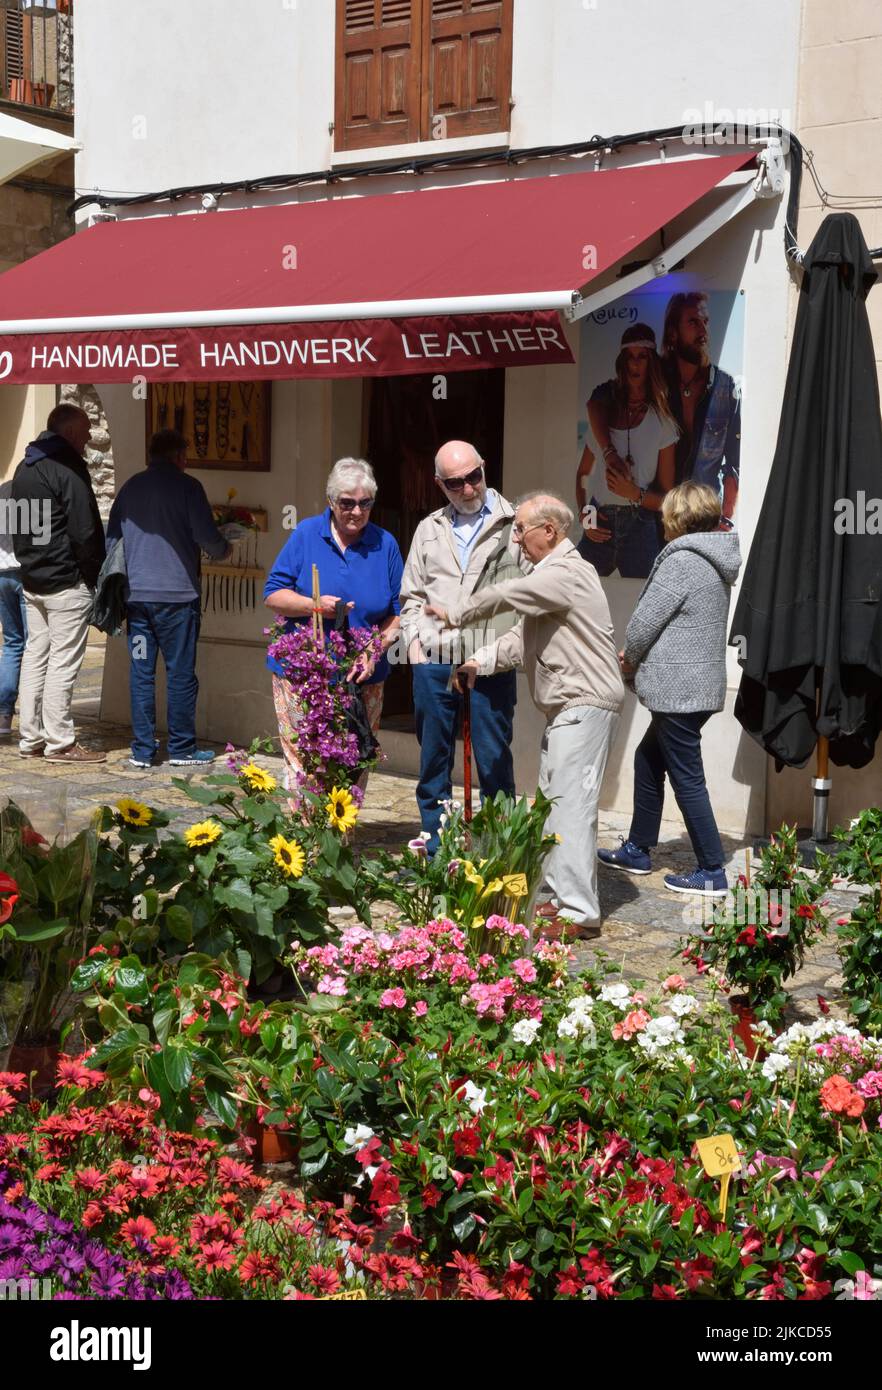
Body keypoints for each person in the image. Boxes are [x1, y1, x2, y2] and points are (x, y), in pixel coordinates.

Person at [427, 491, 624, 939]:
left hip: (585, 701)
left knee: (572, 809)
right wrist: (480, 661)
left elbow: (511, 594)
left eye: (520, 529)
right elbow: (520, 637)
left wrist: (457, 611)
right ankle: (558, 899)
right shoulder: (551, 578)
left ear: (549, 532)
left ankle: (579, 913)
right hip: (567, 705)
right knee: (552, 807)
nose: (515, 539)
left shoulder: (567, 572)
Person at [598, 482, 741, 897]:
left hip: (678, 690)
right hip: (694, 686)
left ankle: (711, 869)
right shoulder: (712, 556)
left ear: (677, 517)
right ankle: (638, 848)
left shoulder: (683, 560)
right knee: (648, 758)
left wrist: (628, 658)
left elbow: (646, 621)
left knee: (687, 776)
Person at [399, 440, 523, 853]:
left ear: (485, 468)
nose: (469, 489)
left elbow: (530, 596)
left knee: (492, 759)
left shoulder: (515, 524)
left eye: (474, 477)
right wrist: (414, 644)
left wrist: (505, 648)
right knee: (434, 759)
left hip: (489, 660)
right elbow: (412, 595)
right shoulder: (429, 529)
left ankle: (495, 854)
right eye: (456, 483)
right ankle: (436, 848)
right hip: (434, 661)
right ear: (439, 484)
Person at [264, 457, 403, 792]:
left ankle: (340, 841)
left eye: (365, 504)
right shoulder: (306, 534)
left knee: (354, 762)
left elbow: (401, 611)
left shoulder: (385, 544)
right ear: (331, 501)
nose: (356, 512)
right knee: (305, 764)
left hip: (361, 677)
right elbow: (273, 595)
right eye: (347, 503)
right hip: (303, 674)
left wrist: (376, 649)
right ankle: (309, 841)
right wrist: (313, 605)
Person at [106, 428, 231, 769]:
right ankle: (181, 748)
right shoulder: (189, 487)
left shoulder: (131, 487)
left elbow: (113, 538)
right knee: (179, 673)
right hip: (178, 599)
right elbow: (207, 536)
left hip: (138, 601)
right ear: (179, 457)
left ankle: (143, 751)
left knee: (141, 672)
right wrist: (225, 548)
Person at [588, 293, 740, 527]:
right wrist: (609, 453)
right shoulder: (655, 380)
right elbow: (598, 399)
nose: (703, 331)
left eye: (705, 322)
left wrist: (726, 515)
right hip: (657, 519)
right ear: (672, 333)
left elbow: (733, 462)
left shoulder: (725, 386)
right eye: (693, 322)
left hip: (705, 517)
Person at [11, 403, 106, 762]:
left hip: (33, 580)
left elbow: (17, 525)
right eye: (84, 434)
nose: (87, 441)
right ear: (68, 433)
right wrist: (93, 577)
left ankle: (30, 738)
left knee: (35, 657)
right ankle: (60, 742)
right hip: (65, 582)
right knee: (62, 663)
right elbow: (86, 533)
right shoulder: (67, 468)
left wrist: (29, 565)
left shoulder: (25, 467)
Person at [577, 324, 678, 579]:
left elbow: (668, 499)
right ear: (622, 361)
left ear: (651, 361)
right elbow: (583, 474)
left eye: (642, 356)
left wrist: (635, 494)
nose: (635, 364)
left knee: (645, 604)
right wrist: (586, 514)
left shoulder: (662, 422)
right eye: (630, 357)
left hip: (639, 524)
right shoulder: (604, 415)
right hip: (600, 520)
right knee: (572, 594)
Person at [0, 477, 27, 738]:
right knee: (33, 647)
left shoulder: (2, 490)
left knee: (11, 644)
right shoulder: (34, 490)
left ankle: (4, 717)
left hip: (1, 574)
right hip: (24, 572)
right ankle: (33, 716)